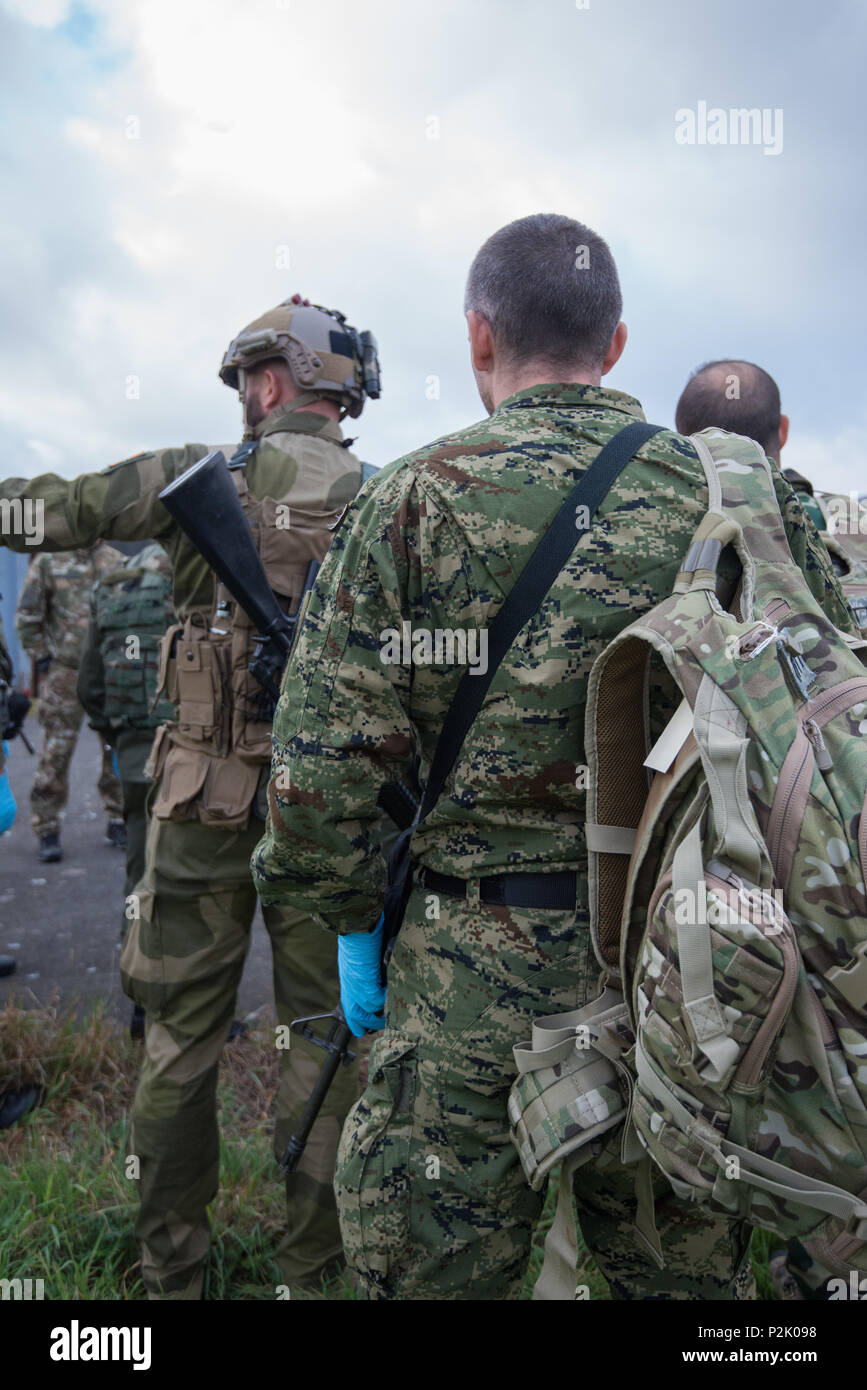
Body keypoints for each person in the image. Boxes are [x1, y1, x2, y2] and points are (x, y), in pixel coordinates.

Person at [253, 214, 857, 1301]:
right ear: (617, 344)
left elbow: (314, 785)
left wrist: (350, 926)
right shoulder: (735, 498)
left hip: (463, 982)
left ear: (478, 339)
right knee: (677, 1288)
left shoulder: (411, 497)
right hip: (697, 978)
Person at [0, 294, 381, 1299]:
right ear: (342, 390)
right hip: (329, 815)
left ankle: (172, 1278)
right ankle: (314, 1273)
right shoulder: (395, 496)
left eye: (249, 382)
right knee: (328, 1044)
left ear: (267, 379)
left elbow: (57, 511)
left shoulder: (194, 478)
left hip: (194, 799)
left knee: (177, 1045)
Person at [675, 358, 854, 1303]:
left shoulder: (646, 524)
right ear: (779, 438)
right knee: (811, 1085)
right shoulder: (815, 536)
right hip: (812, 855)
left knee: (693, 1088)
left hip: (674, 876)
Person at [76, 541, 176, 1038]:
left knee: (141, 875)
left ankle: (142, 999)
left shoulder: (109, 586)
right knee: (199, 881)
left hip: (137, 750)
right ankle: (193, 1004)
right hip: (197, 753)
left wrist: (117, 734)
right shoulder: (198, 578)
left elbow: (89, 684)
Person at [16, 544, 125, 861]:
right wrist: (44, 662)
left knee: (115, 746)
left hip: (109, 673)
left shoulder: (115, 560)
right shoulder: (49, 561)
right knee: (56, 751)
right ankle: (47, 826)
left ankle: (118, 818)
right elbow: (28, 617)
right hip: (65, 673)